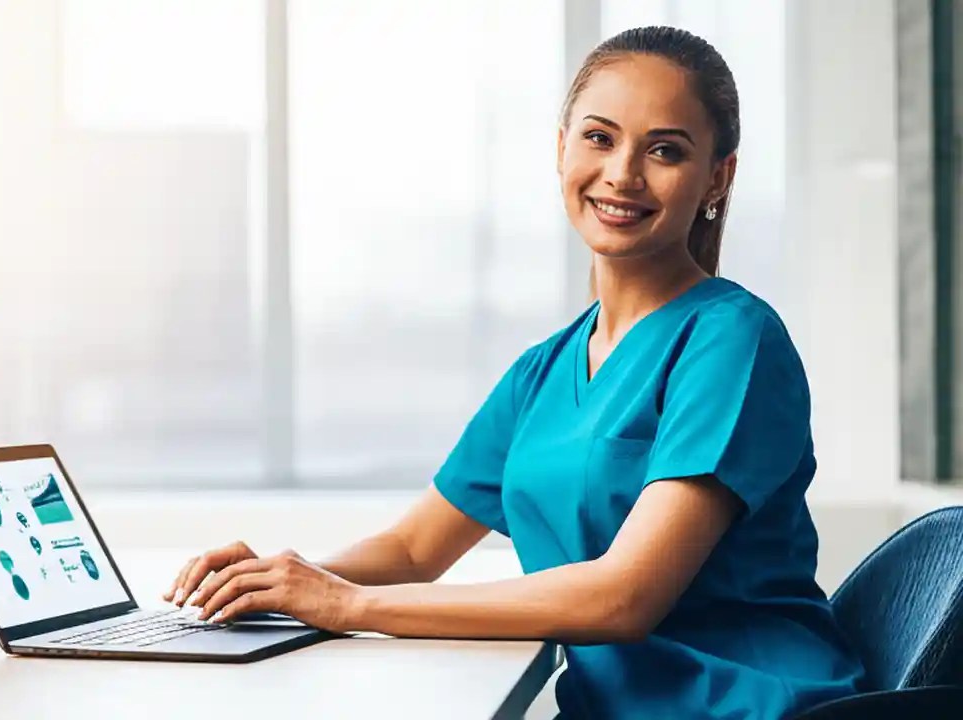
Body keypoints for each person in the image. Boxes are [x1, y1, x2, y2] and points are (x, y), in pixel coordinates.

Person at [163, 26, 864, 719]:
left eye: (665, 150)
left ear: (718, 176)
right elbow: (414, 549)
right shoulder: (544, 371)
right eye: (599, 137)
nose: (623, 172)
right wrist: (276, 583)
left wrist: (347, 605)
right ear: (562, 149)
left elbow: (624, 598)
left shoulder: (732, 341)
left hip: (744, 708)